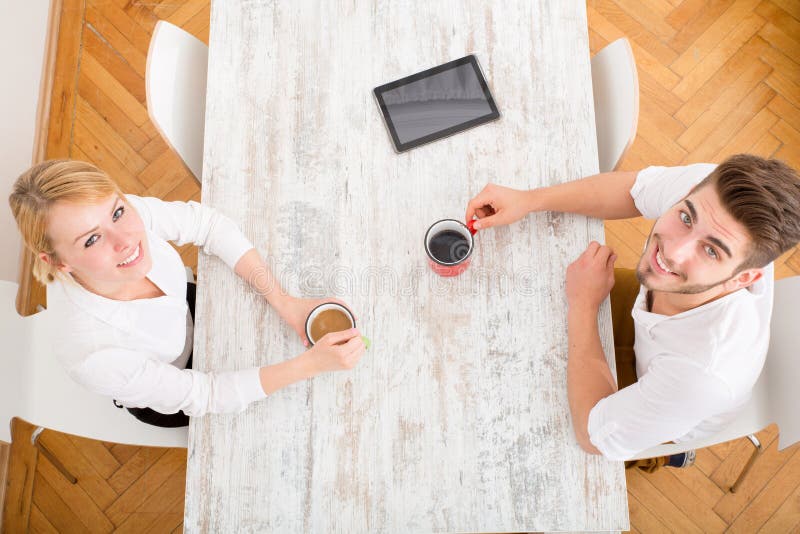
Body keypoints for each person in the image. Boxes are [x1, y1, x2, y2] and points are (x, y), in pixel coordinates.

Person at [465, 154, 800, 468]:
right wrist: (530, 200)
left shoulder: (698, 379)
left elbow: (591, 435)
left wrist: (583, 305)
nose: (672, 251)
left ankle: (663, 455)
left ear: (743, 279)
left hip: (668, 391)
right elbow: (634, 191)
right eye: (685, 218)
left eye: (711, 251)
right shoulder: (709, 192)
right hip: (654, 319)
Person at [9, 159, 366, 427]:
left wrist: (283, 301)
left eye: (117, 212)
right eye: (91, 239)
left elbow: (208, 225)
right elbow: (205, 395)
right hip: (178, 380)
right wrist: (310, 365)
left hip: (191, 311)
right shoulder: (93, 356)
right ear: (57, 262)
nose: (126, 239)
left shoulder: (117, 215)